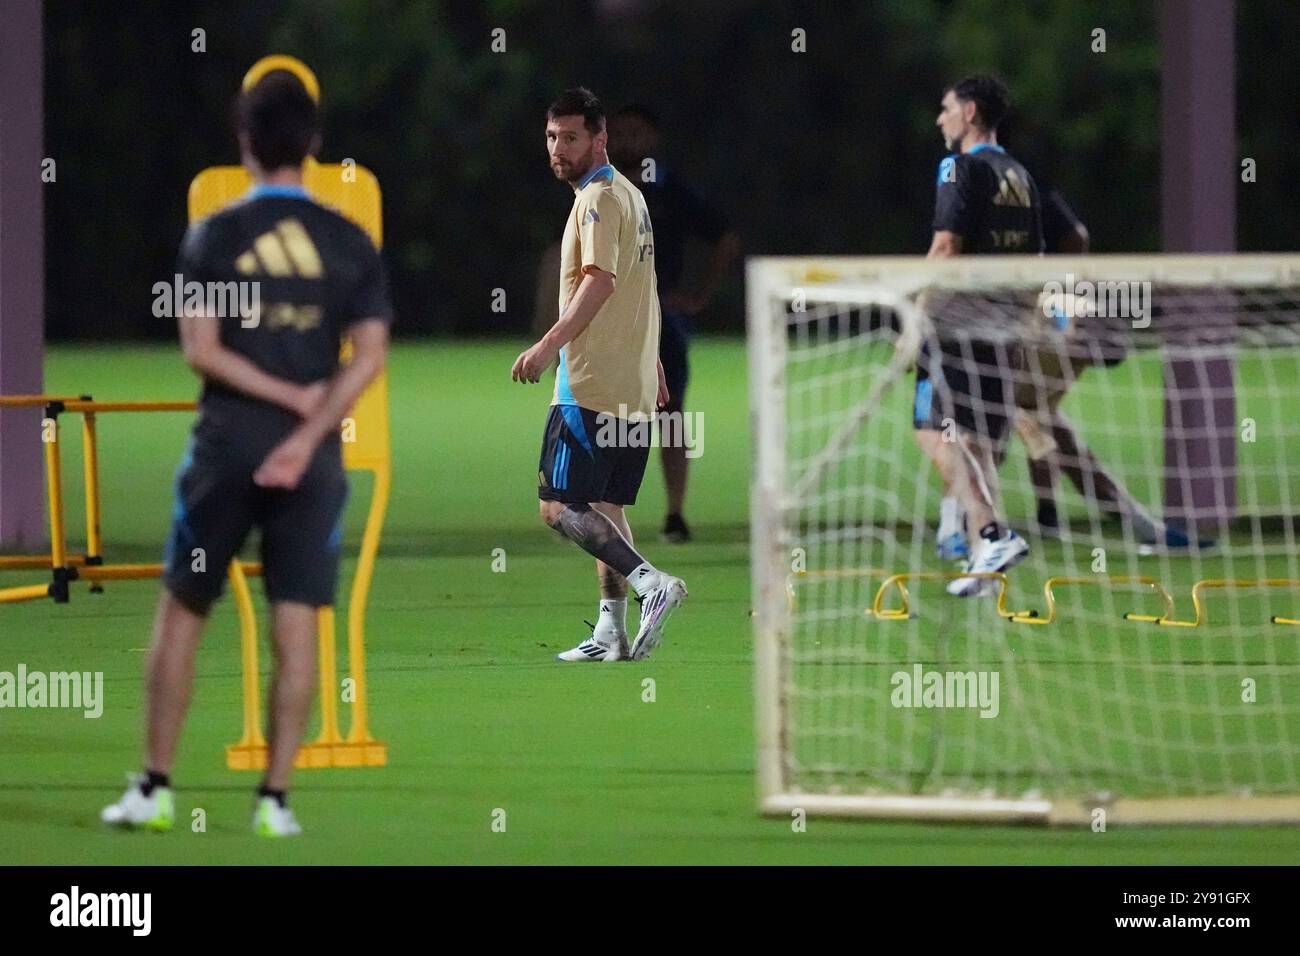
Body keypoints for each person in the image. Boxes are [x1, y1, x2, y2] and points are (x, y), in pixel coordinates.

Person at [100, 71, 391, 836]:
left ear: (245, 143)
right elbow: (368, 356)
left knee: (182, 612)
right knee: (297, 625)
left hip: (228, 449)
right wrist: (309, 422)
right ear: (316, 145)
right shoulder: (347, 240)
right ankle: (275, 802)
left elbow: (200, 351)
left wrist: (280, 405)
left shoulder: (216, 234)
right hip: (315, 459)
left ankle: (156, 788)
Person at [511, 88, 687, 661]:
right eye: (551, 137)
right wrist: (654, 360)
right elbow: (643, 289)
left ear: (599, 139)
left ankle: (651, 584)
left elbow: (602, 281)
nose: (558, 149)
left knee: (558, 506)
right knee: (607, 511)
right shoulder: (630, 195)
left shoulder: (594, 200)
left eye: (570, 138)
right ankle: (610, 634)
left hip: (589, 383)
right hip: (632, 384)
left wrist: (547, 346)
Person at [913, 74, 1041, 596]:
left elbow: (947, 245)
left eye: (946, 108)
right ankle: (985, 561)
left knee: (946, 432)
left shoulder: (959, 166)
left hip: (960, 323)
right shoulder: (1019, 173)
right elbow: (1035, 258)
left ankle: (990, 530)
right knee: (980, 441)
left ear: (968, 112)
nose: (940, 119)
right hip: (1003, 322)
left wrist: (915, 309)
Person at [607, 103, 740, 542]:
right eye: (619, 132)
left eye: (636, 133)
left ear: (653, 139)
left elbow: (724, 237)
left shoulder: (671, 189)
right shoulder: (597, 187)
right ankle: (596, 508)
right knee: (600, 410)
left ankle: (675, 513)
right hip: (605, 317)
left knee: (670, 413)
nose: (627, 141)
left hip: (661, 318)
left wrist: (699, 295)